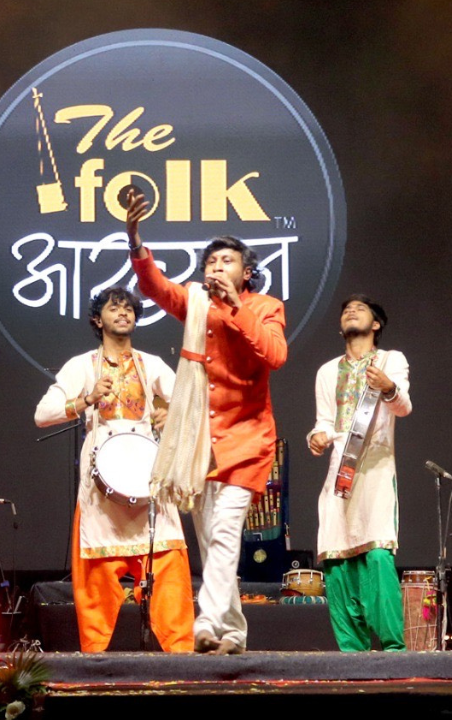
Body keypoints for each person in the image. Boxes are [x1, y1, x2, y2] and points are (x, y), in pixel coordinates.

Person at [125, 192, 288, 654]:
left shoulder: (264, 307)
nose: (216, 266)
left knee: (223, 534)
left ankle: (207, 621)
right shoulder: (195, 304)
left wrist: (236, 307)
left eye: (227, 260)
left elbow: (275, 355)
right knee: (215, 542)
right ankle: (233, 633)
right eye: (211, 260)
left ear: (246, 271)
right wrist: (135, 238)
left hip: (248, 441)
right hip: (201, 444)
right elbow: (156, 287)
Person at [34, 286, 193, 652]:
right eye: (114, 307)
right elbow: (42, 415)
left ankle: (182, 660)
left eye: (129, 309)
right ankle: (95, 665)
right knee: (95, 576)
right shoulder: (80, 366)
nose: (123, 313)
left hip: (147, 480)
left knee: (168, 565)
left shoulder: (151, 364)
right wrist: (86, 399)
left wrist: (170, 413)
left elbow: (191, 403)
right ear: (97, 319)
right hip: (100, 492)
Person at [307, 295, 411, 652]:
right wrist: (316, 437)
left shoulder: (390, 360)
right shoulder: (326, 371)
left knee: (378, 554)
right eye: (346, 309)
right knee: (336, 559)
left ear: (376, 325)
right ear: (340, 327)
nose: (351, 310)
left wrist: (388, 387)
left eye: (360, 308)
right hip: (339, 477)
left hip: (376, 470)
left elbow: (404, 406)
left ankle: (394, 651)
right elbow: (324, 422)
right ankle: (352, 656)